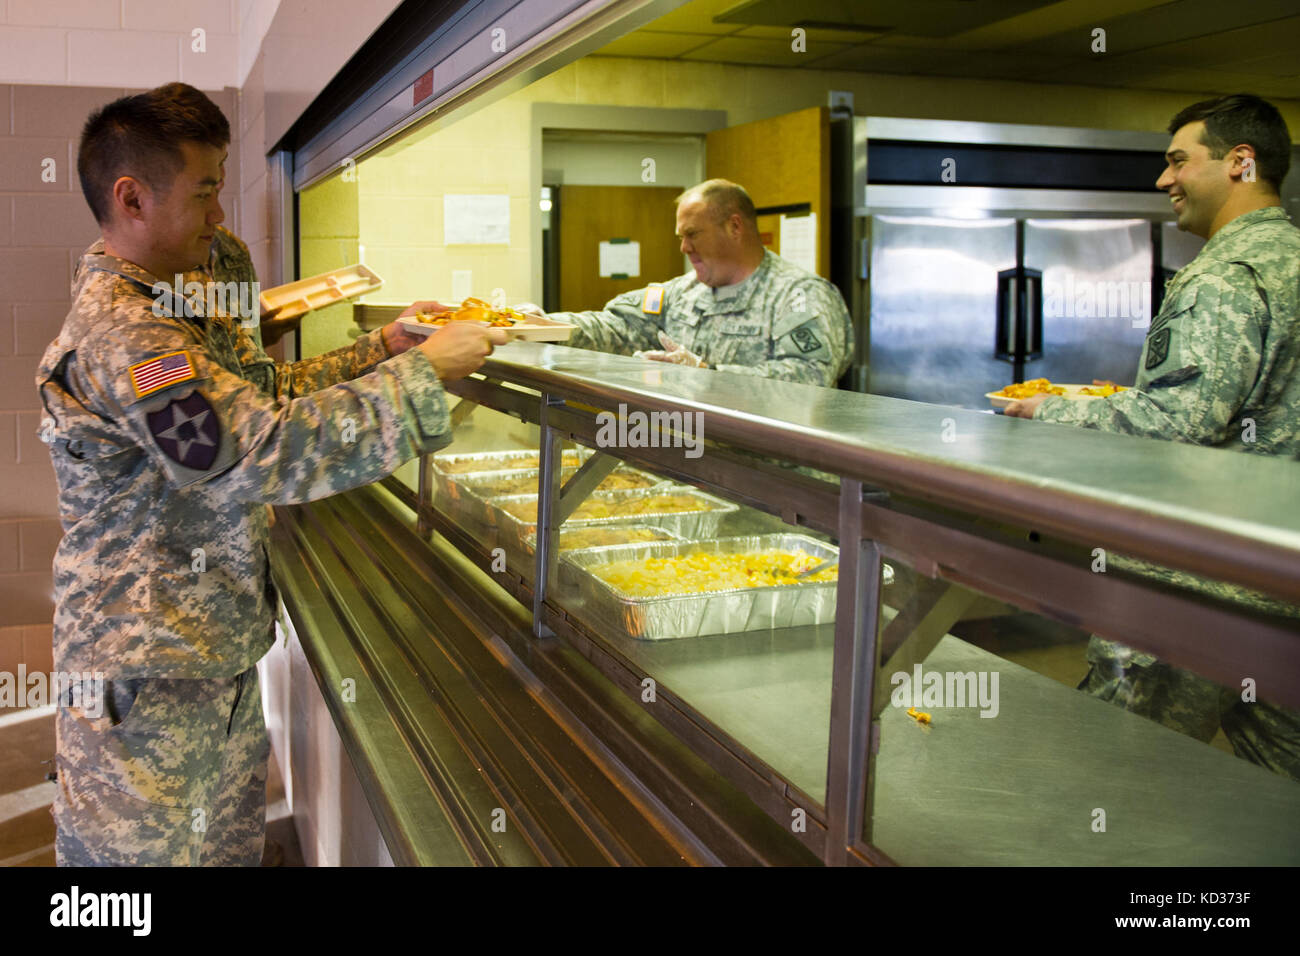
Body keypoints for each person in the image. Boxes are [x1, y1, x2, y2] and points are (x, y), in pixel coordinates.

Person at [36, 83, 505, 865]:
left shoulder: (192, 285)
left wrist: (383, 348)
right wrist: (420, 379)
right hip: (140, 679)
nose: (221, 215)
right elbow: (248, 454)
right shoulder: (125, 334)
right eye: (206, 190)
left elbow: (261, 396)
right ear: (132, 198)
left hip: (214, 652)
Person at [1005, 93, 1300, 781]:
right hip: (1282, 571)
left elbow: (1181, 421)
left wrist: (1045, 413)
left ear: (1240, 162)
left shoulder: (1223, 277)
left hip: (1198, 584)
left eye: (1177, 162)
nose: (1164, 181)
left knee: (1125, 778)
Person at [535, 179, 853, 387]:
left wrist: (706, 375)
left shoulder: (799, 296)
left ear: (734, 227)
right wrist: (545, 325)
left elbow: (809, 381)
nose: (684, 248)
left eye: (693, 234)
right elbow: (617, 326)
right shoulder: (681, 293)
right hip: (700, 469)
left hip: (779, 481)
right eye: (681, 236)